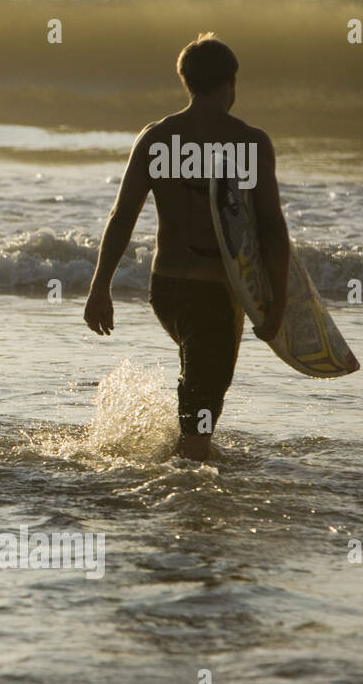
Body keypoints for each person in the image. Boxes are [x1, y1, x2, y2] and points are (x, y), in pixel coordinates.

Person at [83, 33, 289, 461]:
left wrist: (99, 286)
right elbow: (271, 228)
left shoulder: (155, 138)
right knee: (203, 408)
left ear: (187, 81)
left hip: (166, 292)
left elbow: (122, 217)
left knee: (199, 380)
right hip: (215, 295)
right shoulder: (250, 143)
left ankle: (178, 452)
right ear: (231, 83)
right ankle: (184, 482)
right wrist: (279, 300)